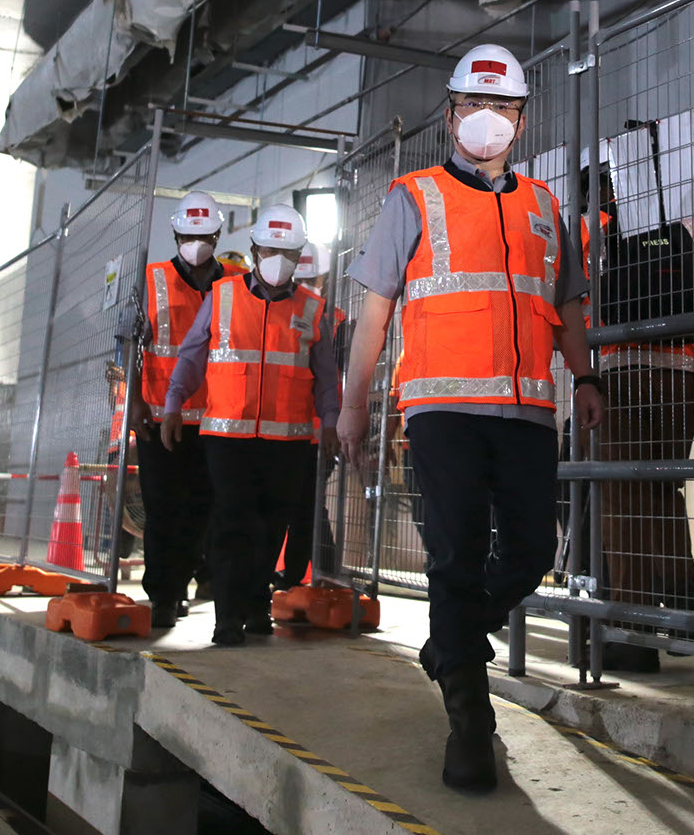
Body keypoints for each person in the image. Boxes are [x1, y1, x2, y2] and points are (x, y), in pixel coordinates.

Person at [338, 43, 603, 795]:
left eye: (505, 107)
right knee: (455, 556)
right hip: (441, 408)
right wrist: (356, 399)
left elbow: (569, 304)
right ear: (451, 113)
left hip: (526, 410)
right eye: (474, 105)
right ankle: (470, 726)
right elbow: (376, 307)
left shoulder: (548, 205)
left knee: (531, 549)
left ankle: (450, 643)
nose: (489, 118)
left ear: (522, 118)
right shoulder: (412, 196)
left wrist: (586, 374)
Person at [159, 205, 341, 648]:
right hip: (228, 437)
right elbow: (192, 355)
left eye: (289, 252)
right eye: (271, 249)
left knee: (271, 526)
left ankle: (257, 604)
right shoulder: (222, 296)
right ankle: (227, 617)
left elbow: (325, 376)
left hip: (288, 441)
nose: (279, 259)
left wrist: (332, 422)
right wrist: (172, 404)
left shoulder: (312, 309)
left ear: (299, 257)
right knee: (232, 523)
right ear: (256, 249)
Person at [580, 164, 694, 674]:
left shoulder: (596, 224)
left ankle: (633, 634)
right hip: (688, 373)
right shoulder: (689, 221)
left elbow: (576, 297)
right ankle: (682, 605)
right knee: (664, 488)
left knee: (621, 496)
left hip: (623, 369)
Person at [109, 192, 229, 629]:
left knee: (205, 507)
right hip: (161, 416)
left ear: (217, 234)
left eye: (203, 235)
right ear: (176, 233)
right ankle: (163, 595)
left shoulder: (233, 281)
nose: (195, 242)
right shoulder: (151, 279)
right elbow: (129, 342)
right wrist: (136, 398)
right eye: (187, 234)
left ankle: (193, 583)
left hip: (218, 417)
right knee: (164, 508)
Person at [278, 245, 343, 590]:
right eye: (298, 278)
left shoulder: (341, 322)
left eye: (310, 279)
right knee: (303, 508)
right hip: (291, 428)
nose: (303, 285)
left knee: (307, 509)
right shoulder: (284, 313)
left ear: (326, 280)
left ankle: (320, 574)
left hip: (323, 430)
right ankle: (313, 575)